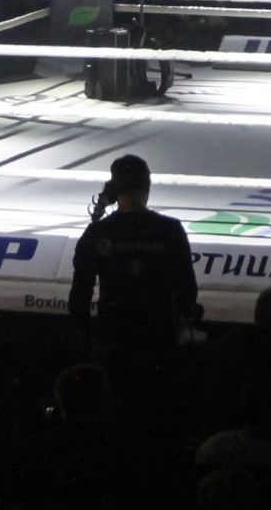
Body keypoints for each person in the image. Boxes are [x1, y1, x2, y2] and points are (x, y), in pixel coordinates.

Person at [68, 155, 199, 382]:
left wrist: (88, 338)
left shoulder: (98, 233)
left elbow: (80, 294)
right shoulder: (170, 230)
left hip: (114, 337)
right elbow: (187, 290)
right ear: (147, 185)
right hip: (160, 339)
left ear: (115, 188)